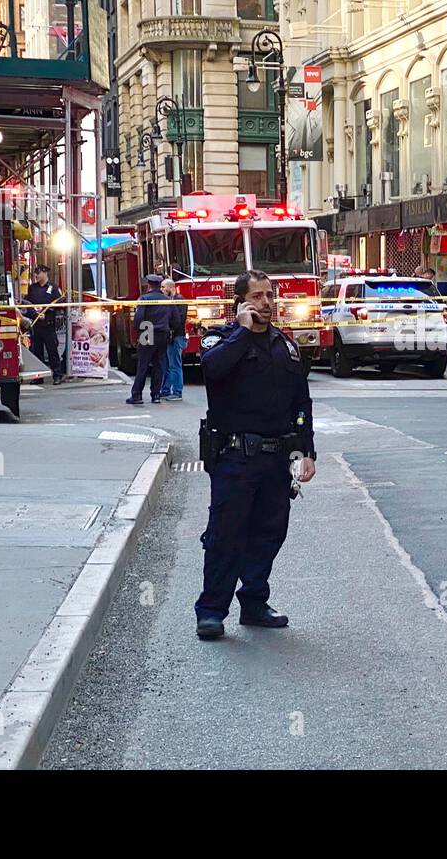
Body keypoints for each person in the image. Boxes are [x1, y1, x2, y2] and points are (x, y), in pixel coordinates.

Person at [194, 269, 317, 640]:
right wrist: (244, 331)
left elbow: (301, 404)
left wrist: (306, 452)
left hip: (276, 458)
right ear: (241, 303)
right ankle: (212, 611)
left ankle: (254, 602)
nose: (267, 303)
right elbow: (212, 371)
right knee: (225, 534)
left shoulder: (286, 345)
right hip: (235, 456)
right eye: (259, 297)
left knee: (269, 532)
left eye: (270, 295)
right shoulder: (221, 339)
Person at [127, 273, 169, 405]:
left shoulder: (144, 298)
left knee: (143, 365)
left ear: (149, 285)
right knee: (159, 365)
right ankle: (156, 394)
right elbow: (175, 319)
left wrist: (139, 331)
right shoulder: (168, 300)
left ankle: (137, 395)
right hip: (163, 334)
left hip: (148, 332)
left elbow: (138, 319)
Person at [23, 264, 65, 384]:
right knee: (37, 351)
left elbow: (61, 304)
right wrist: (34, 312)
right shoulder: (32, 288)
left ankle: (57, 375)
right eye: (35, 273)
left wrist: (48, 311)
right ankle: (38, 376)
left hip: (48, 324)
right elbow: (27, 303)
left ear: (45, 273)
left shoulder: (54, 287)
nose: (36, 275)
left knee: (52, 350)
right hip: (36, 324)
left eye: (38, 273)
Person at [158, 278, 188, 401]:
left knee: (175, 365)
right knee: (171, 365)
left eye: (163, 287)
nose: (161, 290)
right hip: (173, 336)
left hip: (177, 336)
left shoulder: (179, 300)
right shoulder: (172, 300)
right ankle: (166, 390)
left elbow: (178, 320)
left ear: (170, 288)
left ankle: (177, 392)